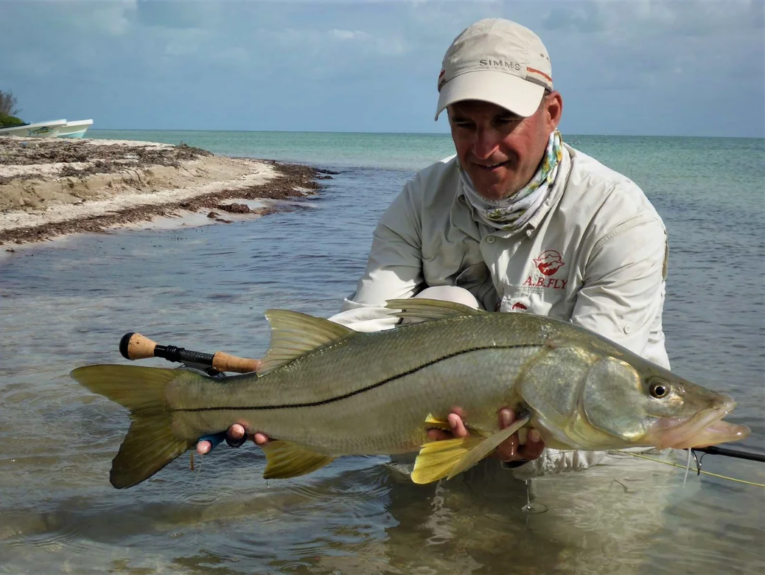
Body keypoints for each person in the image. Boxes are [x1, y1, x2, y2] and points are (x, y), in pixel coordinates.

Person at [198, 18, 669, 477]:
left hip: (596, 467)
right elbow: (366, 322)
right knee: (447, 304)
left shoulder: (619, 217)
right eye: (465, 125)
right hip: (444, 445)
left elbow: (608, 403)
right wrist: (279, 396)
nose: (484, 149)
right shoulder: (420, 199)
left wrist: (517, 448)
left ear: (552, 113)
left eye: (504, 121)